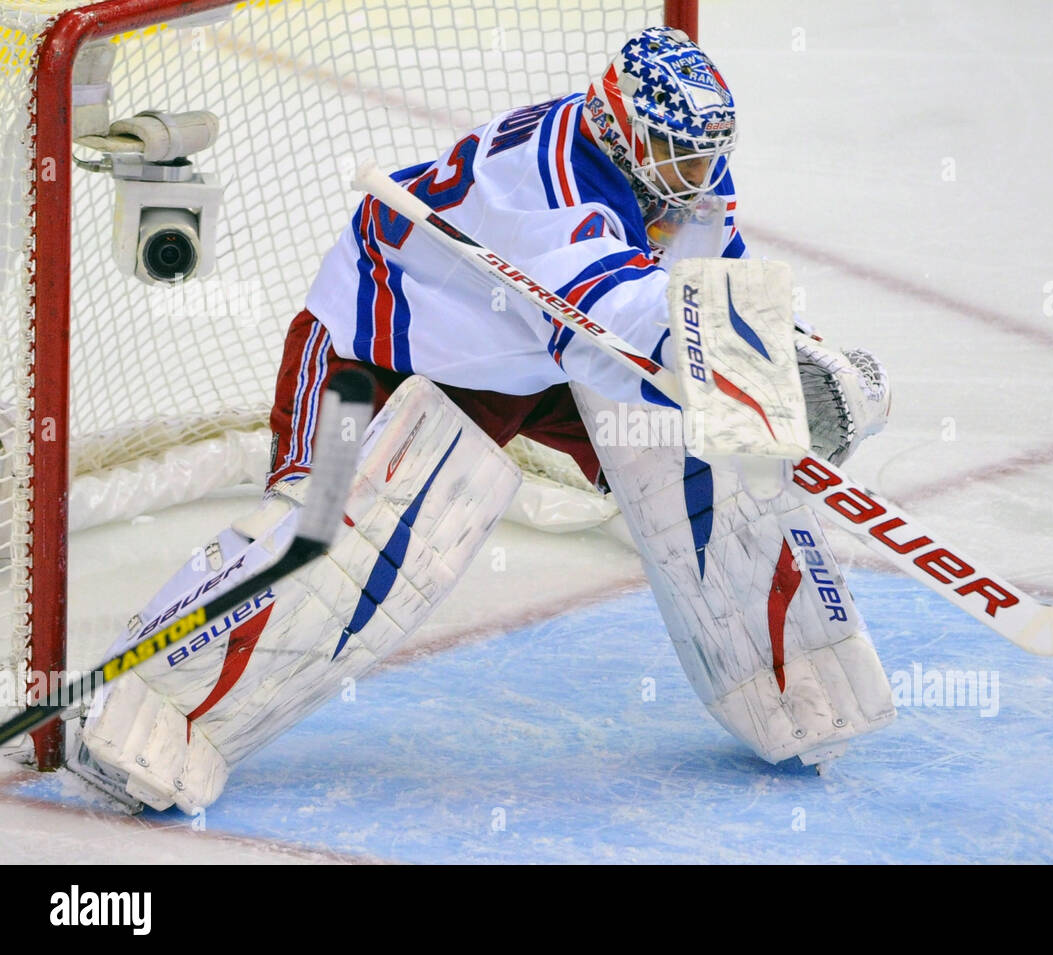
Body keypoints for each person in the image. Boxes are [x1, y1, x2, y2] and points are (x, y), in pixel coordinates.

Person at [68, 27, 894, 813]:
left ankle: (786, 664)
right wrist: (759, 372)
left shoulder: (690, 183)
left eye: (710, 152)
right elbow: (622, 322)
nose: (699, 171)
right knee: (341, 537)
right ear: (621, 128)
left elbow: (705, 303)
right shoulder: (541, 178)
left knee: (716, 456)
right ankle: (148, 694)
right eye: (680, 151)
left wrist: (798, 363)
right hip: (389, 345)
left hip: (539, 353)